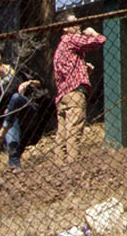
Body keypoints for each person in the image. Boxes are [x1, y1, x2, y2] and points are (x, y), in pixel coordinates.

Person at [51, 11, 105, 164]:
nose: (79, 24)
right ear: (65, 28)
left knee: (62, 134)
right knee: (74, 130)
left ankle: (60, 165)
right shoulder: (71, 39)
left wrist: (83, 69)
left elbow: (65, 72)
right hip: (75, 94)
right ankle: (73, 166)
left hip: (62, 96)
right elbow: (99, 41)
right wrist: (92, 33)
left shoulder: (60, 48)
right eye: (74, 22)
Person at [0, 51, 41, 169]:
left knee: (15, 98)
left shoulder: (16, 67)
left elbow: (40, 81)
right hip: (11, 118)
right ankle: (15, 169)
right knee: (12, 145)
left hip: (29, 109)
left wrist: (28, 83)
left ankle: (0, 134)